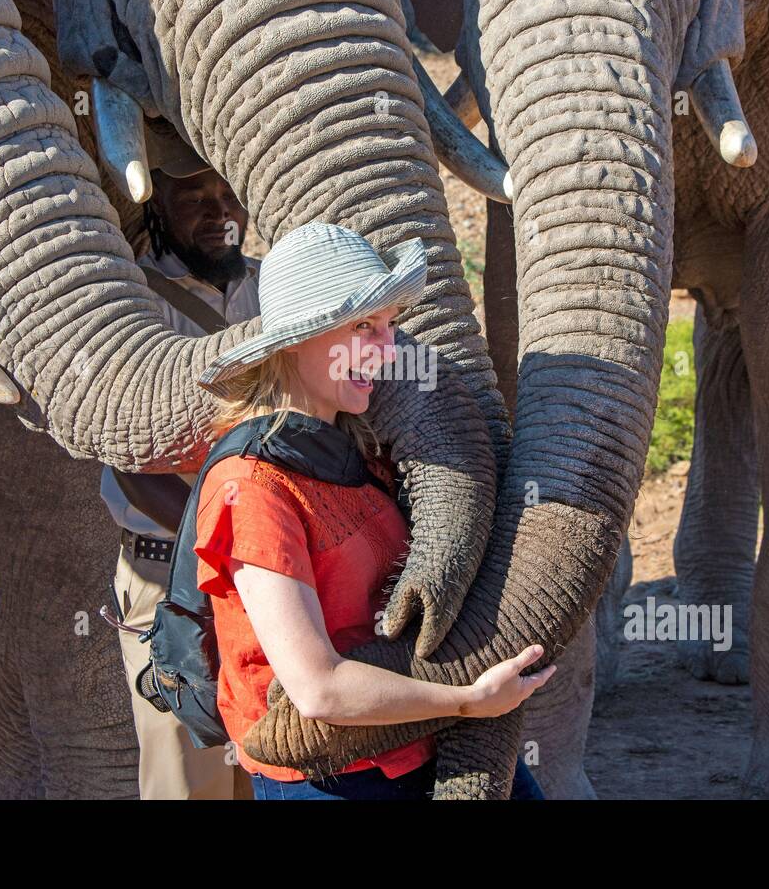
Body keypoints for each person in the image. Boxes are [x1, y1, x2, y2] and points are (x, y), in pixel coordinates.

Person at [192, 222, 553, 800]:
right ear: (296, 339)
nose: (388, 351)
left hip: (426, 740)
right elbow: (318, 689)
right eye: (363, 326)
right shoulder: (252, 487)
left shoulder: (364, 448)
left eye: (388, 325)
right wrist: (468, 699)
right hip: (338, 776)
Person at [101, 166, 259, 800]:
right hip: (171, 578)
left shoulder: (272, 289)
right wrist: (234, 540)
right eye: (194, 198)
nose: (218, 213)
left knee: (269, 768)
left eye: (228, 196)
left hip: (267, 573)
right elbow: (134, 466)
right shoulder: (132, 302)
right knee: (190, 783)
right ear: (157, 206)